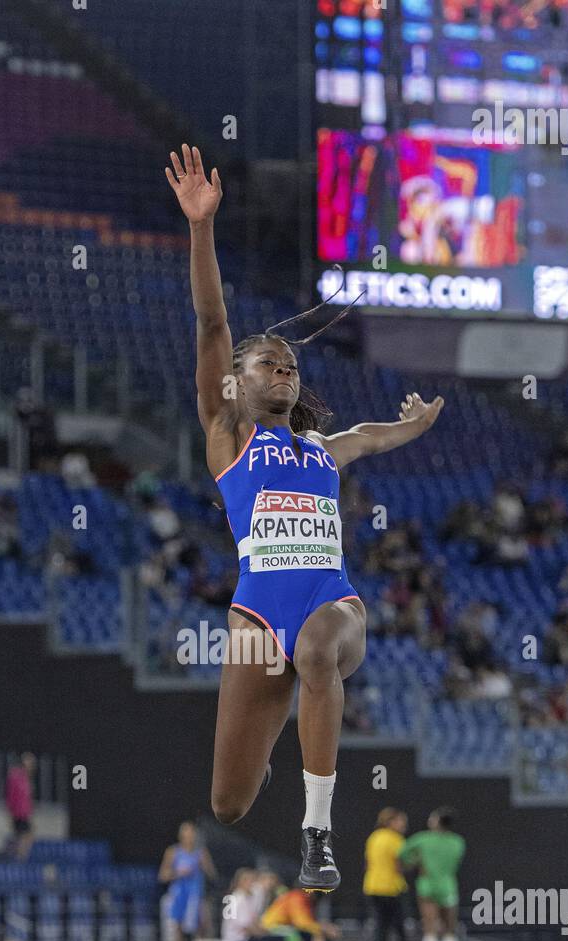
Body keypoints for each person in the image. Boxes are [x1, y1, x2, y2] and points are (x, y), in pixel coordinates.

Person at [165, 143, 444, 894]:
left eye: (292, 366)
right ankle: (284, 735)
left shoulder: (324, 448)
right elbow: (211, 320)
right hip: (258, 617)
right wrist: (201, 227)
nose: (285, 372)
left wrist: (411, 427)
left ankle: (317, 831)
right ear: (238, 382)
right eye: (270, 366)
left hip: (329, 601)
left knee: (320, 655)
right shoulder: (227, 435)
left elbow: (375, 436)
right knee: (227, 803)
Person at [398, 807, 466, 941]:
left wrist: (415, 861)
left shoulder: (423, 839)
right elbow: (457, 861)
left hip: (427, 886)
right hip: (448, 886)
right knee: (449, 928)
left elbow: (402, 854)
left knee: (430, 927)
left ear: (436, 822)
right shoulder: (457, 842)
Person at [158, 821, 217, 941]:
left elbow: (212, 874)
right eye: (186, 833)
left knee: (200, 929)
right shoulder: (173, 852)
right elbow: (162, 876)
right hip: (179, 896)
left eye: (192, 833)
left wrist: (203, 865)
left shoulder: (201, 853)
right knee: (178, 932)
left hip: (196, 896)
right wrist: (178, 873)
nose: (189, 837)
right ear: (181, 835)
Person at [363, 807, 408, 941]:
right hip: (392, 889)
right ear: (390, 822)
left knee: (380, 929)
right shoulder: (396, 839)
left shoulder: (373, 838)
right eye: (400, 821)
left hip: (372, 887)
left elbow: (367, 863)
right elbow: (399, 865)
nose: (404, 825)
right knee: (400, 930)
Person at [5, 753, 36, 860]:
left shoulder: (27, 778)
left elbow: (27, 797)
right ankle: (18, 856)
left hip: (24, 812)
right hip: (19, 812)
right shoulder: (16, 776)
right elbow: (11, 795)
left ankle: (16, 854)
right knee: (25, 835)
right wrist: (11, 810)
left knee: (23, 836)